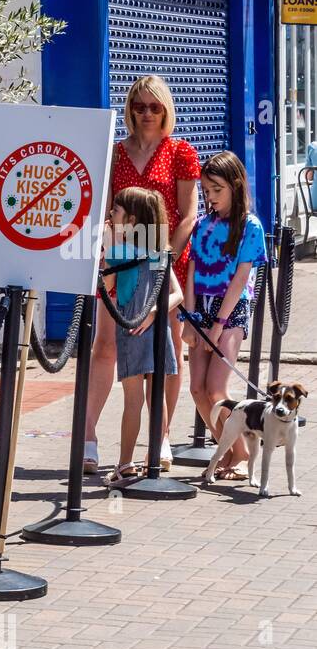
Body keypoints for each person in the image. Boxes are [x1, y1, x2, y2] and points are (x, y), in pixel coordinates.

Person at [83, 76, 200, 474]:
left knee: (167, 354)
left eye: (155, 106)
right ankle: (88, 438)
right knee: (104, 346)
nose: (147, 113)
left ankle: (160, 436)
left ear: (166, 109)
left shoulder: (181, 152)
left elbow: (188, 215)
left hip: (163, 261)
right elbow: (105, 210)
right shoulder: (115, 153)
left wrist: (164, 259)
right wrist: (108, 255)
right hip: (119, 263)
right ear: (130, 109)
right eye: (139, 106)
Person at [183, 151, 268, 481]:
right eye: (206, 191)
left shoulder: (250, 226)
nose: (210, 197)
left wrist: (218, 325)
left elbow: (241, 279)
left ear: (235, 185)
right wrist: (190, 319)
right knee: (197, 389)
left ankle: (241, 453)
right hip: (201, 307)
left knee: (216, 389)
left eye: (217, 189)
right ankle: (230, 450)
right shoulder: (203, 225)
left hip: (230, 310)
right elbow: (191, 271)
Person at [102, 188, 182, 486]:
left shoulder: (118, 253)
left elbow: (107, 286)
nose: (110, 215)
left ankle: (125, 463)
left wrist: (108, 246)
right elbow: (177, 294)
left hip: (131, 329)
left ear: (131, 220)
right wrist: (154, 313)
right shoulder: (159, 252)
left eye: (116, 212)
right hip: (158, 329)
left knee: (133, 401)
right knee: (156, 397)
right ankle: (156, 456)